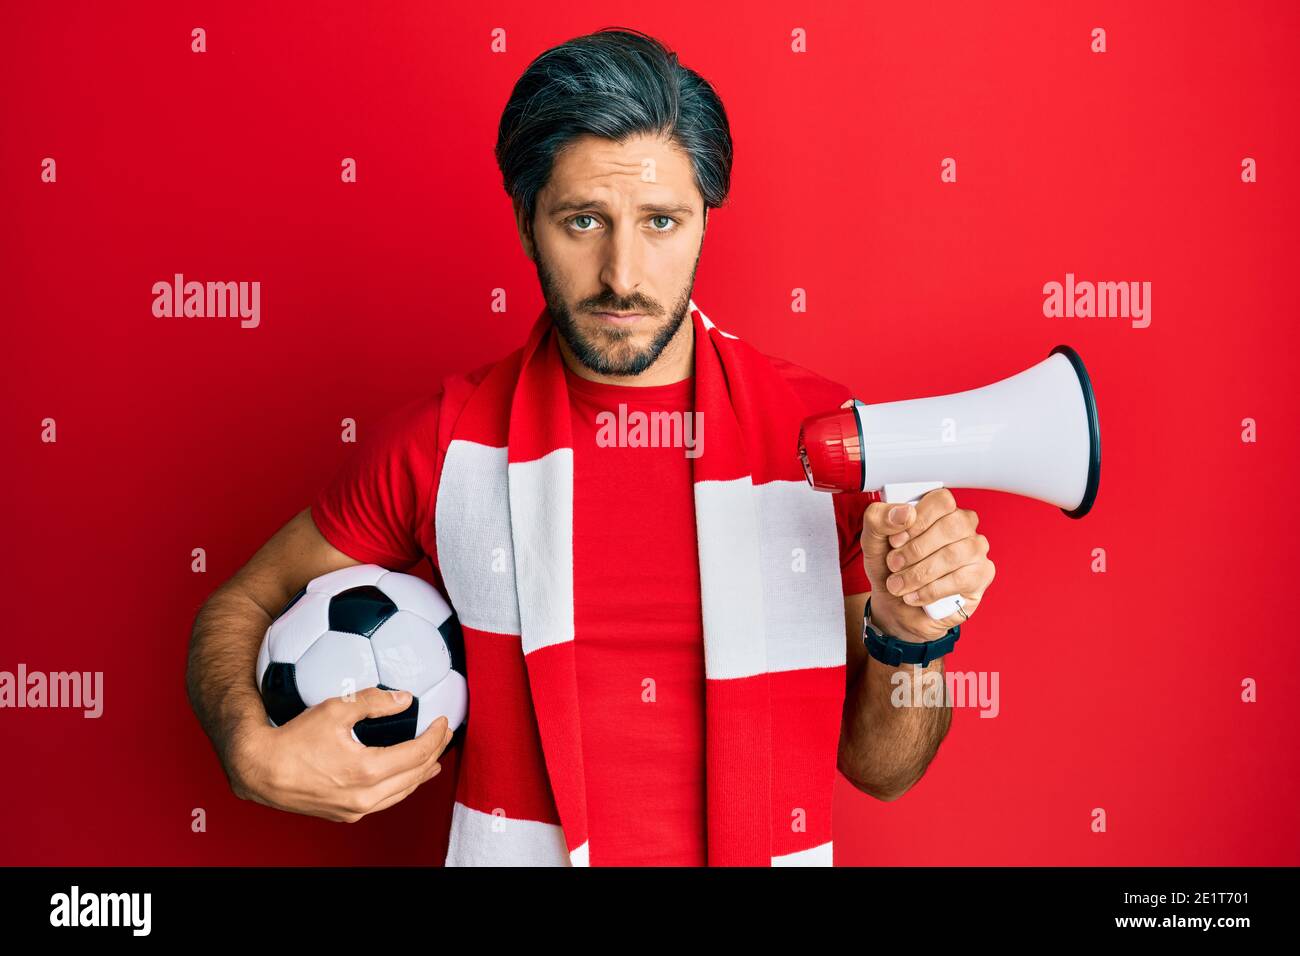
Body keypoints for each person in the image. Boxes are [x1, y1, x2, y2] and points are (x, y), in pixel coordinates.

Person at [187, 27, 996, 866]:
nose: (622, 273)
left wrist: (912, 642)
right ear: (525, 220)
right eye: (583, 221)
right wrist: (248, 747)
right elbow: (240, 605)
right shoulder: (443, 442)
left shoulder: (832, 441)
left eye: (661, 222)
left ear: (705, 220)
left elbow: (885, 772)